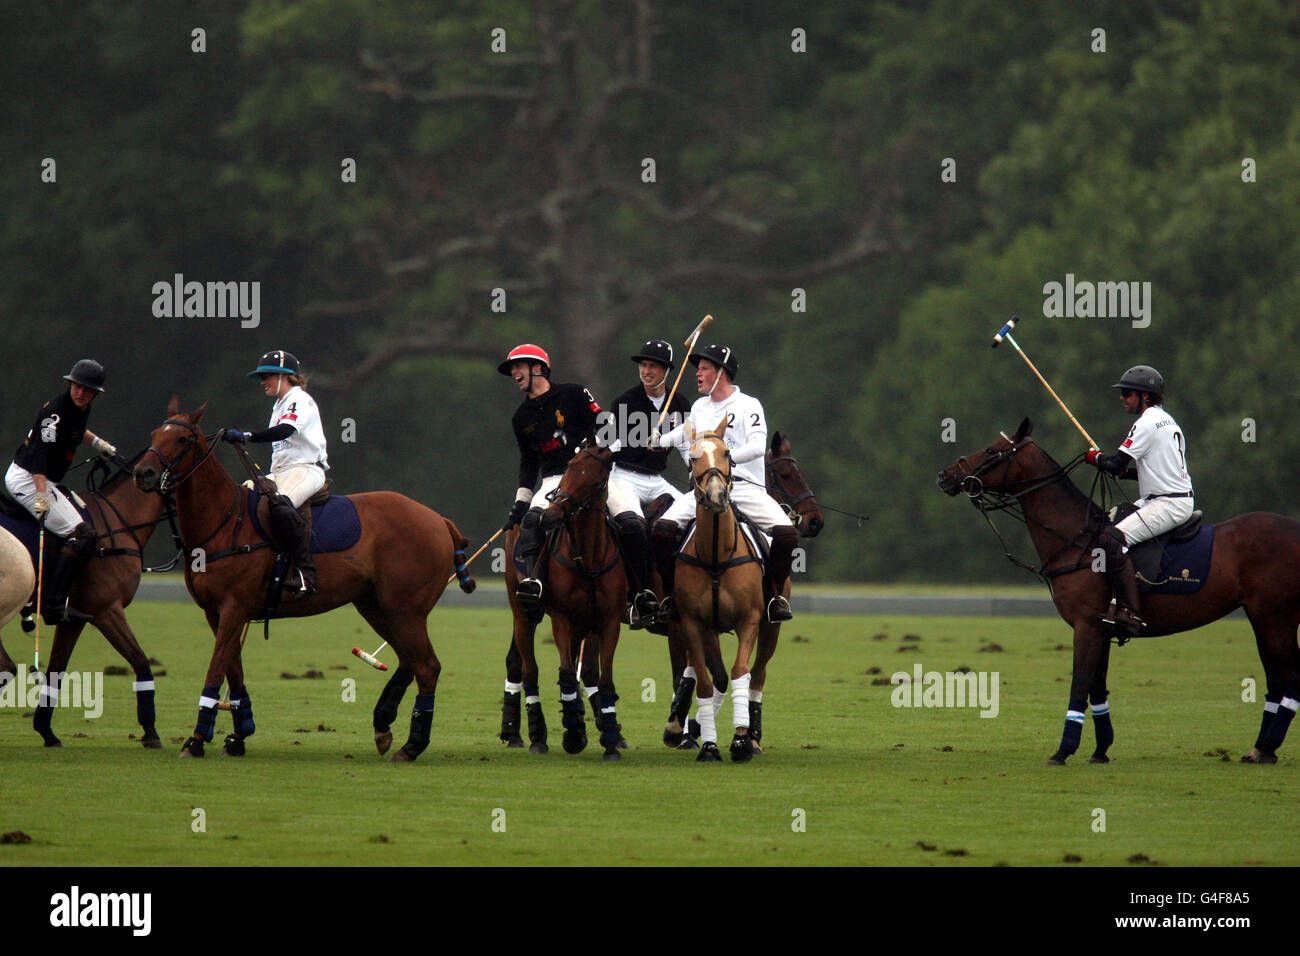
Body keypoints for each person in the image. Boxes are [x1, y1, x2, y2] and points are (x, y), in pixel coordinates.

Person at [499, 343, 659, 628]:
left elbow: (603, 422)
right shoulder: (520, 417)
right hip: (553, 481)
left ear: (538, 368)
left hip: (592, 476)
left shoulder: (574, 393)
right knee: (531, 523)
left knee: (631, 524)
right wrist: (521, 502)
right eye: (511, 369)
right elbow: (528, 464)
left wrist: (607, 451)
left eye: (518, 366)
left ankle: (641, 593)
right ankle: (535, 583)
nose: (513, 373)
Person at [652, 343, 798, 624]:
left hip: (744, 487)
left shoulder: (749, 405)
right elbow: (686, 431)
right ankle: (671, 597)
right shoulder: (699, 407)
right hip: (704, 490)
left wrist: (724, 460)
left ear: (721, 373)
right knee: (662, 530)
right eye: (698, 370)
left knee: (787, 534)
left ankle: (774, 595)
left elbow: (757, 446)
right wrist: (659, 440)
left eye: (704, 369)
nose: (698, 374)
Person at [5, 359, 118, 624]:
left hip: (44, 479)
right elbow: (40, 460)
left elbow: (77, 430)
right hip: (29, 478)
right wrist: (42, 496)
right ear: (69, 384)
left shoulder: (79, 409)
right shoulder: (54, 414)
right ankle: (53, 603)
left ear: (94, 394)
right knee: (80, 533)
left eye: (87, 390)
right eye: (77, 387)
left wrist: (98, 443)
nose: (80, 393)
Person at [1085, 365, 1193, 635]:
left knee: (1112, 539)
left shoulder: (1144, 423)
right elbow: (1152, 470)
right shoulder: (1166, 420)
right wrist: (1125, 471)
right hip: (1167, 497)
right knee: (1113, 518)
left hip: (1168, 504)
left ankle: (1130, 611)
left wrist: (1094, 458)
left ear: (1145, 396)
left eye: (1127, 393)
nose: (1122, 398)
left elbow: (1113, 464)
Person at [222, 350, 328, 595]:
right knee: (242, 497)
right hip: (280, 472)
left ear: (285, 376)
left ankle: (305, 574)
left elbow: (285, 431)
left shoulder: (299, 400)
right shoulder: (279, 404)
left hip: (306, 469)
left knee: (281, 506)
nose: (262, 382)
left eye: (267, 376)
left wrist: (248, 436)